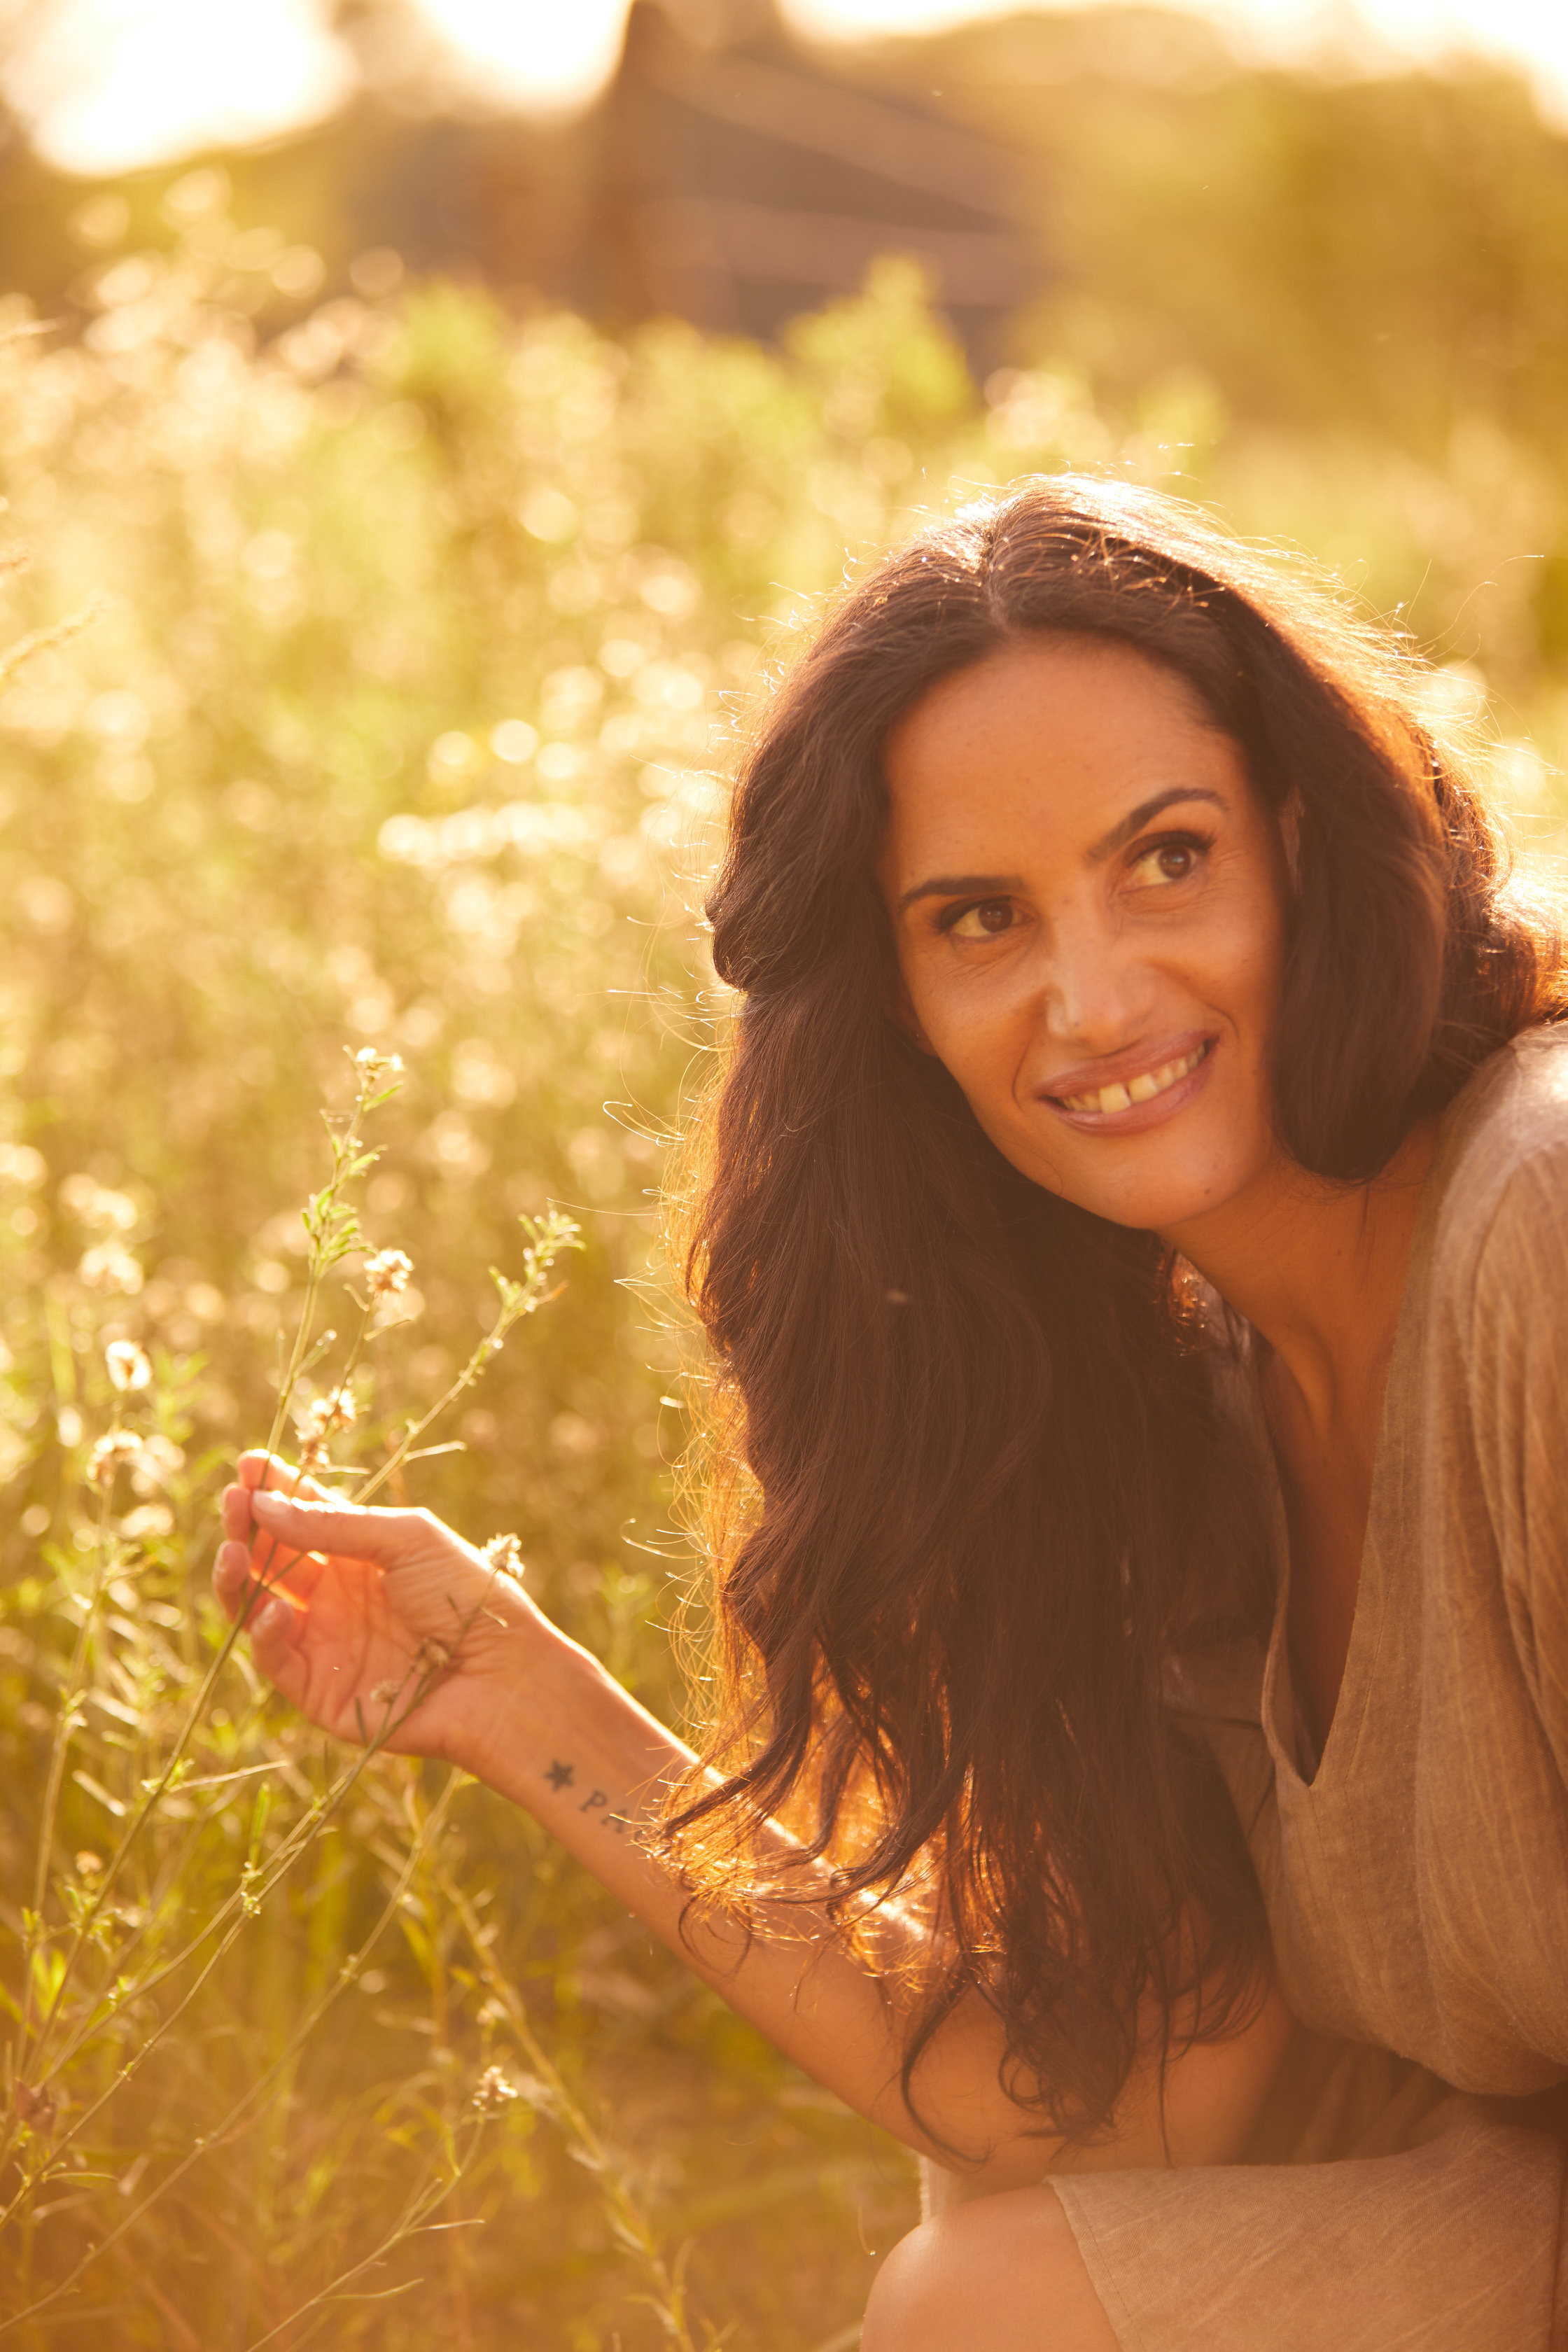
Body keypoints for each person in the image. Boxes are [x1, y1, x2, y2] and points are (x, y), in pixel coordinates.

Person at [215, 478, 1568, 2351]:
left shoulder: (1538, 1228)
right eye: (981, 918)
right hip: (1504, 2190)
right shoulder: (1176, 1402)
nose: (1091, 997)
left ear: (1303, 844)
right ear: (901, 1007)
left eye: (1167, 858)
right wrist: (520, 1698)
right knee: (987, 2277)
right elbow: (1130, 2107)